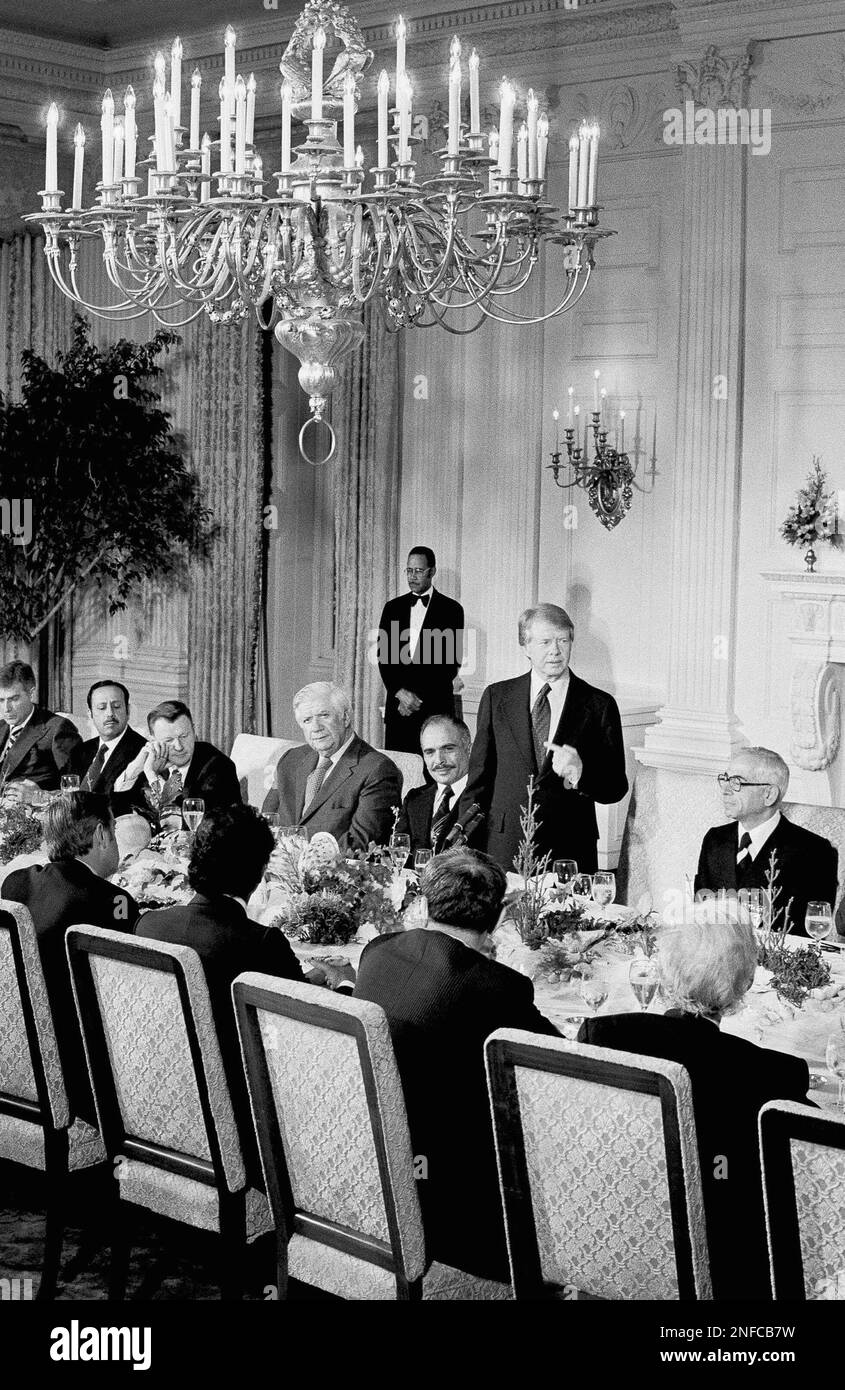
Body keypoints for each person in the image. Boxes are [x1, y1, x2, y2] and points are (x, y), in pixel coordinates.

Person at [578, 914, 812, 1301]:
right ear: (746, 986)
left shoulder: (602, 1035)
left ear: (666, 973)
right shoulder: (775, 1074)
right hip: (722, 1262)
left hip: (614, 1228)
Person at [354, 847, 558, 1282]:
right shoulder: (500, 986)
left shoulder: (377, 950)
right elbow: (557, 1062)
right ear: (497, 917)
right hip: (451, 1202)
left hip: (367, 1158)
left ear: (426, 902)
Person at [136, 804, 354, 1176]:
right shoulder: (261, 943)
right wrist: (347, 982)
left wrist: (309, 978)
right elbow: (303, 1033)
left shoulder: (149, 925)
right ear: (258, 872)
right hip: (240, 1119)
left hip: (157, 1098)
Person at [460, 603, 628, 873]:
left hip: (569, 849)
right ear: (525, 646)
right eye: (545, 642)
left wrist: (581, 773)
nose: (555, 650)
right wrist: (465, 846)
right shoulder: (496, 697)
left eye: (563, 640)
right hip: (503, 847)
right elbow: (478, 781)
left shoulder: (599, 705)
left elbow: (616, 787)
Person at [3, 791, 139, 1121]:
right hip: (81, 1077)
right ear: (102, 835)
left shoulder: (16, 883)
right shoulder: (115, 901)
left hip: (15, 1060)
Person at [694, 747, 838, 935]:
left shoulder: (814, 852)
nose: (725, 790)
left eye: (737, 782)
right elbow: (701, 912)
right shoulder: (715, 840)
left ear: (769, 795)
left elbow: (811, 934)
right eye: (725, 779)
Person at [262, 681, 402, 851]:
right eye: (307, 720)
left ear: (345, 718)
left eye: (324, 715)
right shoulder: (290, 760)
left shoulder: (377, 769)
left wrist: (300, 862)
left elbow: (360, 846)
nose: (315, 727)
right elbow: (264, 824)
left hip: (331, 875)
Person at [376, 547, 465, 755]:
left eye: (418, 571)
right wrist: (400, 693)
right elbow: (384, 657)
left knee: (433, 777)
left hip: (433, 709)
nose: (412, 576)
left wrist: (413, 699)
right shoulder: (392, 608)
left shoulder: (451, 610)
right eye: (408, 571)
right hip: (398, 710)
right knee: (399, 774)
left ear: (431, 572)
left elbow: (450, 663)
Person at [114, 699, 241, 818]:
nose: (179, 747)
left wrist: (152, 775)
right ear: (153, 740)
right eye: (169, 740)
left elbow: (185, 821)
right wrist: (135, 769)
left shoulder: (218, 766)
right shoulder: (153, 759)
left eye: (184, 736)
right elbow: (117, 810)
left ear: (193, 730)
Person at [395, 715, 480, 853]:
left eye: (448, 749)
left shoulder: (485, 799)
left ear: (468, 748)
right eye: (430, 752)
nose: (439, 760)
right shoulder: (414, 800)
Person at [0, 660, 82, 792]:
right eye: (1, 700)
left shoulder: (58, 728)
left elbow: (75, 790)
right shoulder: (1, 727)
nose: (6, 709)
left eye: (14, 699)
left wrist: (40, 795)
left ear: (31, 693)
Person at [71, 679, 147, 817]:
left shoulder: (141, 751)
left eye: (117, 706)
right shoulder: (80, 751)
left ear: (128, 710)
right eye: (101, 708)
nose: (110, 713)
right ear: (90, 714)